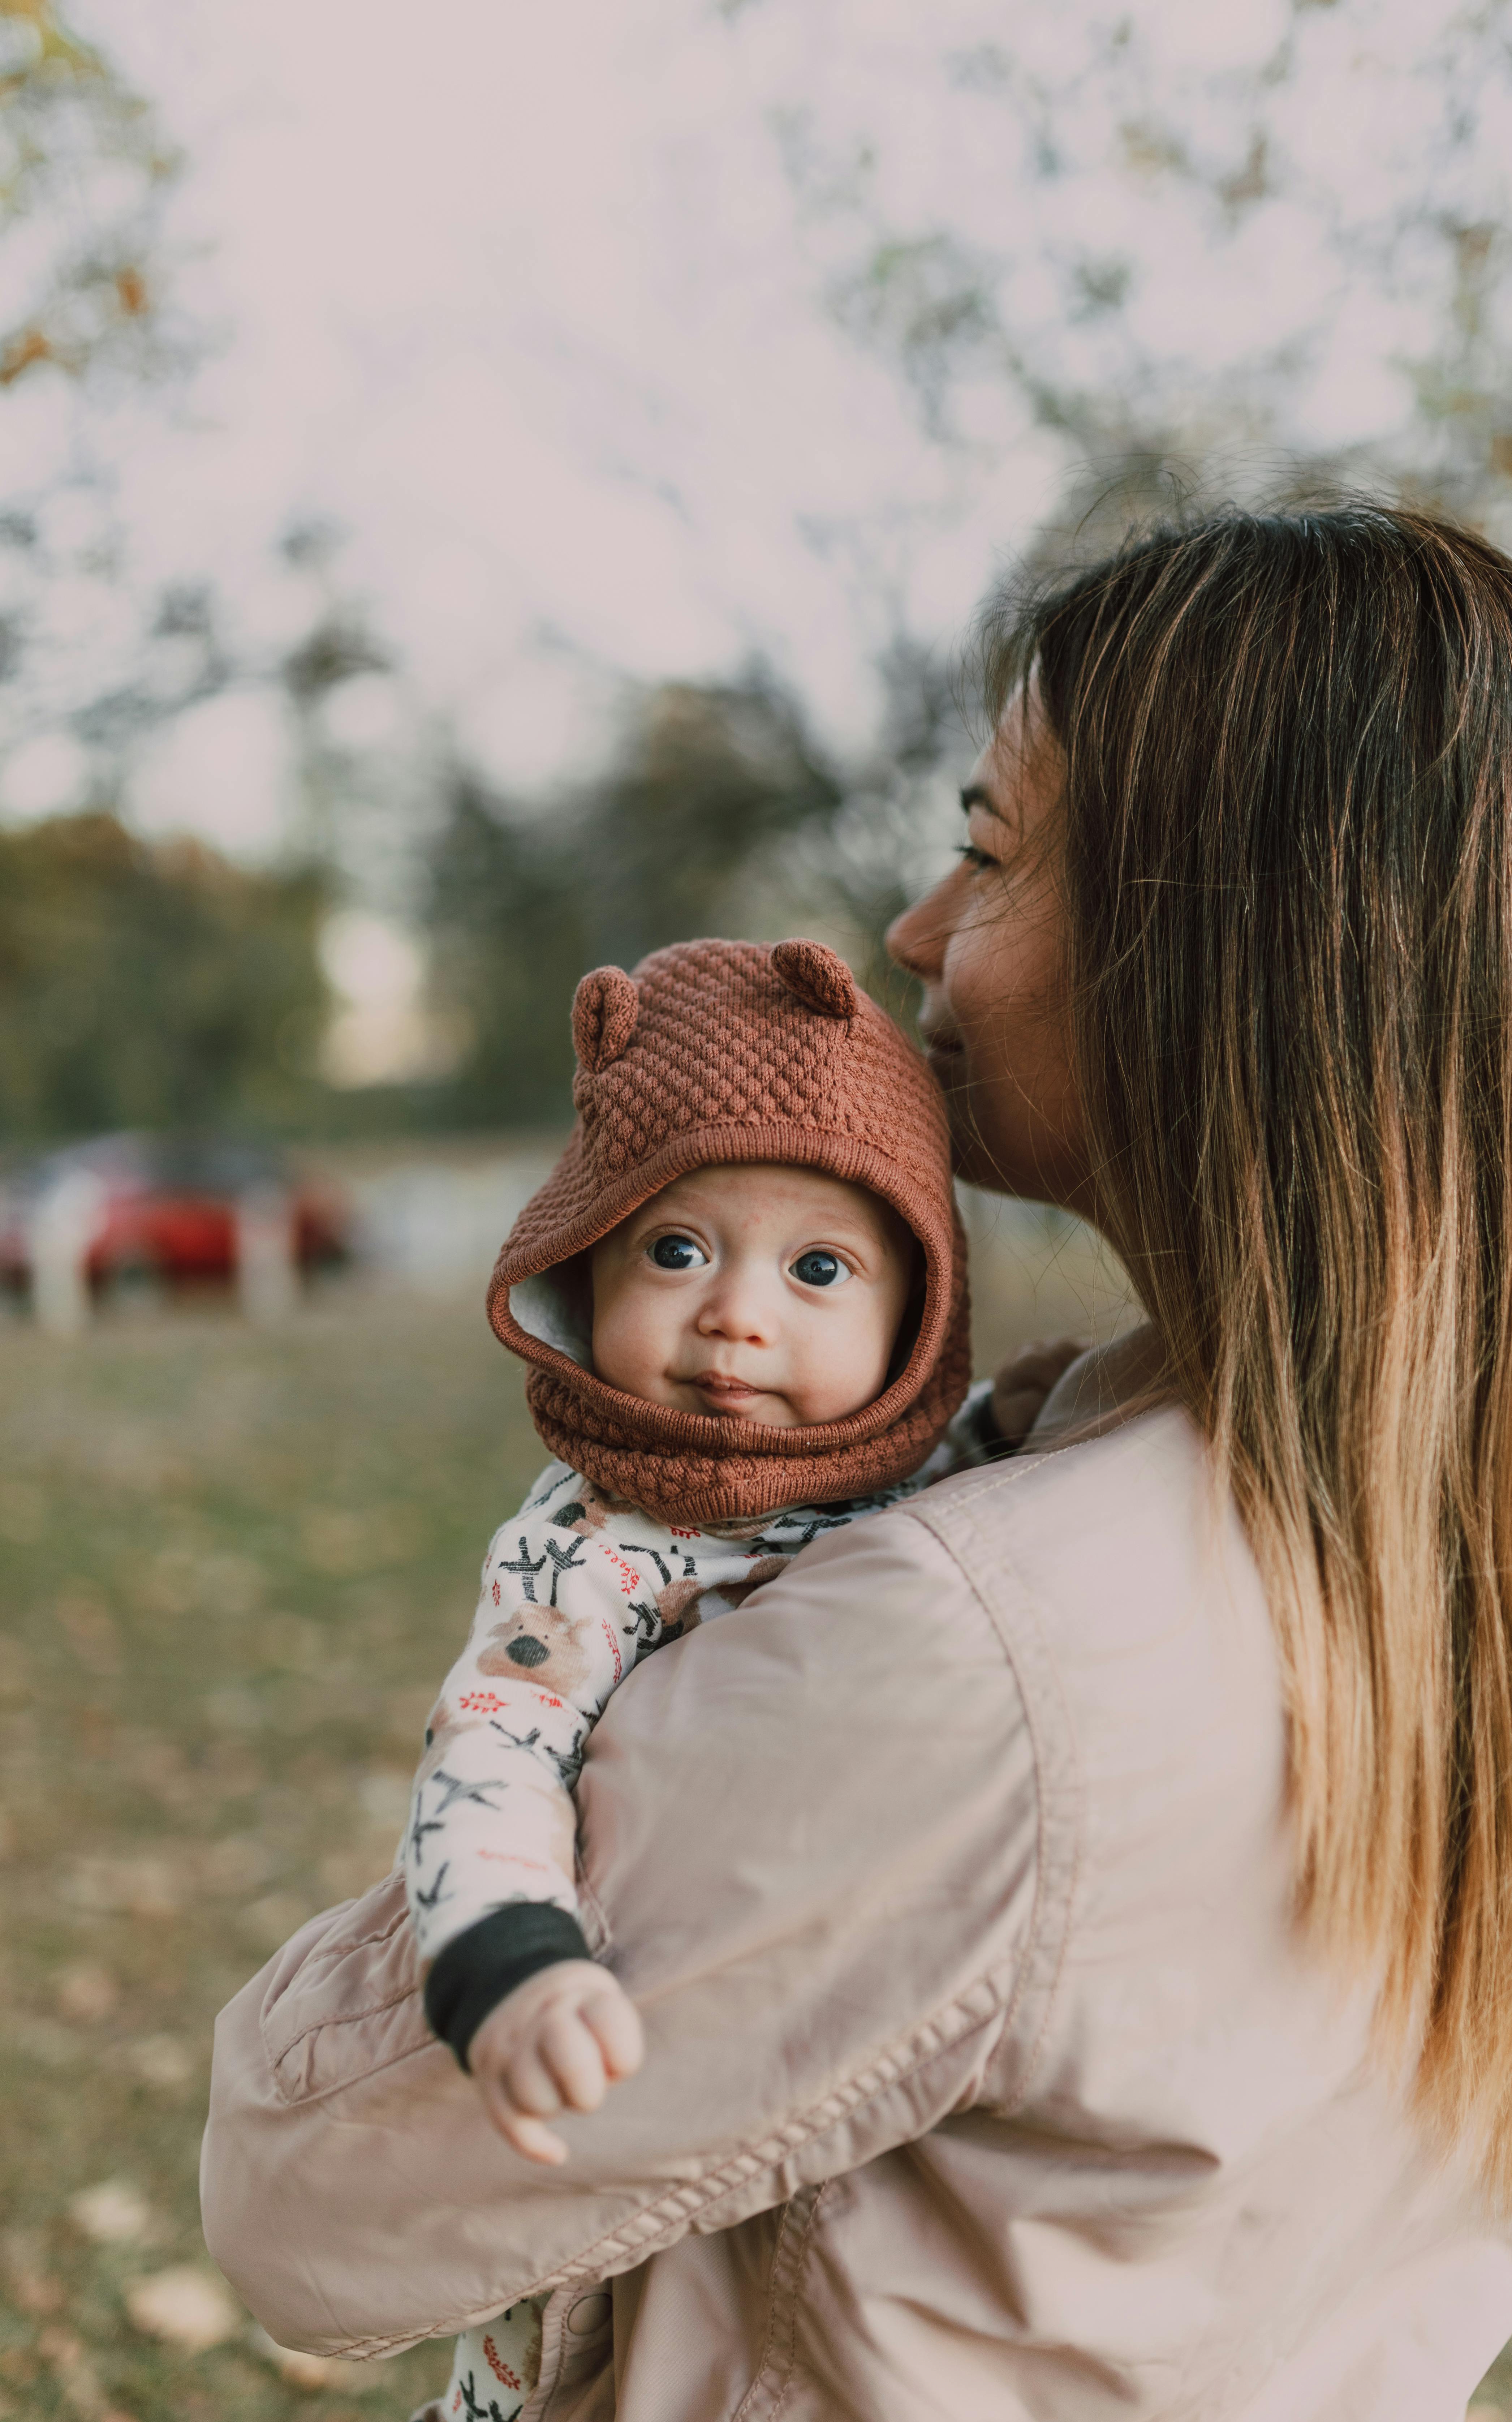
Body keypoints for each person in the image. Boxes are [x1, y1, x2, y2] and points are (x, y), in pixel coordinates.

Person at [202, 504, 1512, 2422]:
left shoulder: (995, 1647)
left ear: (1216, 960)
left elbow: (306, 2200)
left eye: (987, 851)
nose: (914, 930)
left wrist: (562, 1735)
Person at [407, 932, 1067, 2418]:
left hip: (849, 2038)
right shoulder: (591, 1542)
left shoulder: (922, 1467)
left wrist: (1023, 1419)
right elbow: (492, 1746)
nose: (734, 1316)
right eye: (676, 1248)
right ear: (585, 1259)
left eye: (818, 1267)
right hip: (625, 2011)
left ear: (918, 1313)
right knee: (569, 2357)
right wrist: (508, 1956)